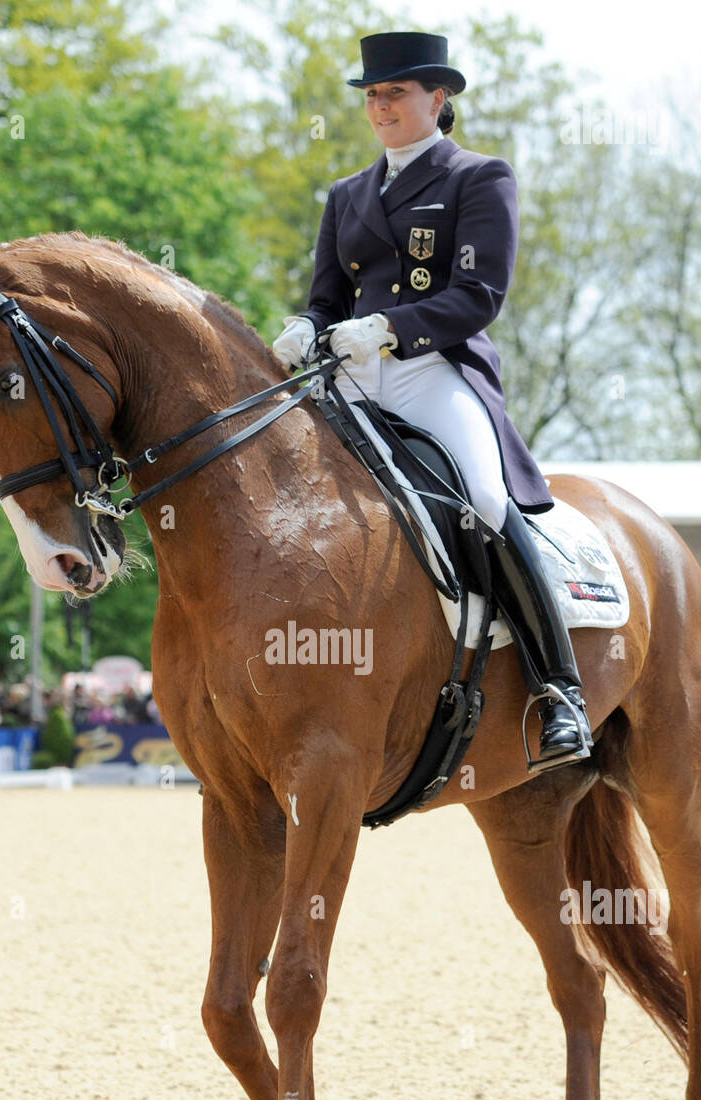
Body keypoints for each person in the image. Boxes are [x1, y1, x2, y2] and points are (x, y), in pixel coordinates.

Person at [272, 31, 591, 763]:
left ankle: (558, 689)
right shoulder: (347, 194)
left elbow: (479, 295)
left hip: (431, 368)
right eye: (373, 95)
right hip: (348, 374)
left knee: (482, 499)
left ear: (436, 99)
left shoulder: (478, 178)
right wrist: (302, 328)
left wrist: (388, 327)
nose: (381, 106)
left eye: (396, 93)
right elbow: (326, 297)